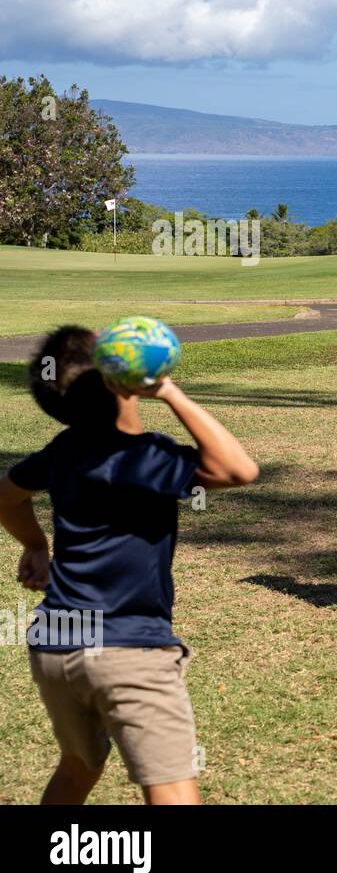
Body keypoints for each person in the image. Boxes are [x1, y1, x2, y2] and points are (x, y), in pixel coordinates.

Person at [0, 326, 259, 805]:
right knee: (172, 786)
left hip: (55, 646)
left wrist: (35, 544)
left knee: (79, 766)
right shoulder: (147, 457)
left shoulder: (63, 451)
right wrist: (169, 391)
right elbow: (237, 470)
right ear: (125, 386)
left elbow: (7, 496)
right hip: (127, 651)